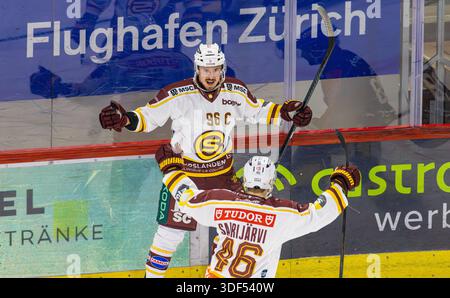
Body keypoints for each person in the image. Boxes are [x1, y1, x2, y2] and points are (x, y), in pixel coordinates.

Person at [98, 43, 313, 277]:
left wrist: (286, 113)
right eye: (205, 69)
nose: (210, 75)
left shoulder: (235, 91)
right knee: (168, 236)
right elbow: (146, 118)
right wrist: (123, 119)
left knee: (235, 232)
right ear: (197, 69)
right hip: (184, 175)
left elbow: (258, 110)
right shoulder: (176, 94)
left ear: (222, 69)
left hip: (222, 176)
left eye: (215, 69)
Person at [154, 144, 360, 278]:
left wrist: (171, 170)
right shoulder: (282, 214)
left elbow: (187, 199)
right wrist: (340, 184)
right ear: (271, 184)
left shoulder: (222, 201)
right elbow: (319, 214)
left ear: (245, 181)